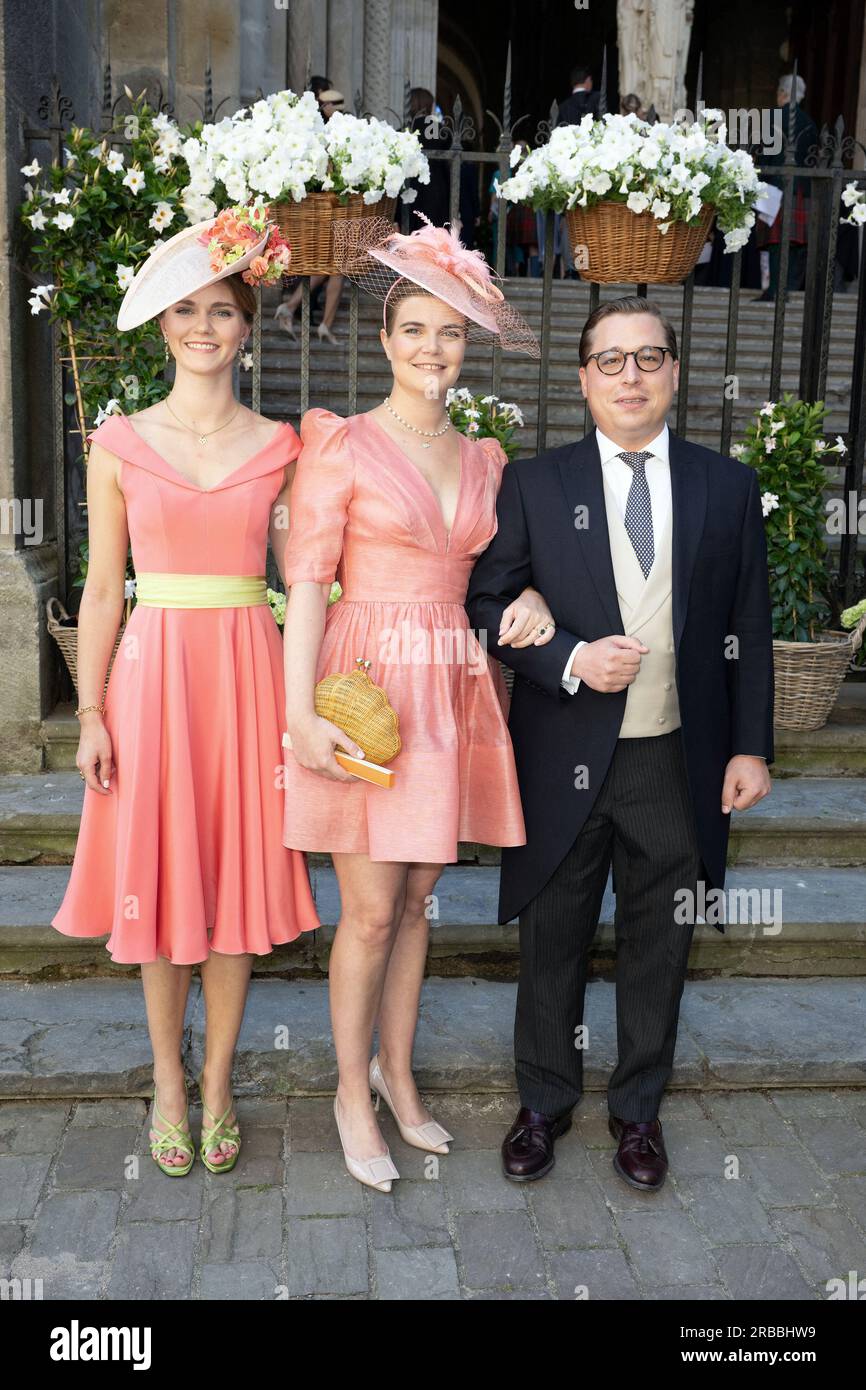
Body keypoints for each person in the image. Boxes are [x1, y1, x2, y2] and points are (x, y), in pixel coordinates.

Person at [466, 296, 774, 1190]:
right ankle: (543, 1103)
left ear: (675, 371)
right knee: (552, 935)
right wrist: (562, 655)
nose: (630, 375)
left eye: (649, 358)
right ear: (582, 379)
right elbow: (487, 605)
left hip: (677, 757)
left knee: (660, 939)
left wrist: (749, 748)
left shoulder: (727, 486)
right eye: (611, 360)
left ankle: (638, 1113)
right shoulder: (535, 484)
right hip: (563, 752)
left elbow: (748, 626)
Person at [280, 215, 548, 1193]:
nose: (431, 347)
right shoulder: (341, 444)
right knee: (366, 908)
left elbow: (498, 578)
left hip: (449, 682)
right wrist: (297, 715)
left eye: (449, 331)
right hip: (363, 682)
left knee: (419, 900)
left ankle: (397, 1072)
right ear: (384, 341)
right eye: (413, 330)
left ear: (463, 344)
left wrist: (523, 606)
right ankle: (349, 1089)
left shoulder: (484, 459)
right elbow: (307, 582)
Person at [51, 205, 319, 1177]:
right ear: (163, 324)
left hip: (248, 673)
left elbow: (306, 581)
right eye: (187, 311)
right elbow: (97, 585)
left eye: (222, 310)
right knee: (161, 887)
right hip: (151, 678)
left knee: (236, 889)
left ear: (247, 325)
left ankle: (216, 1084)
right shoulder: (118, 442)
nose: (203, 327)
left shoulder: (284, 445)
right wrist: (86, 711)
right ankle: (166, 1080)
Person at [274, 77, 346, 343]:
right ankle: (302, 313)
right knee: (333, 266)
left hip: (330, 209)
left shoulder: (332, 128)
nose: (338, 109)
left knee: (334, 267)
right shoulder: (317, 131)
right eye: (333, 104)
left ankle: (298, 311)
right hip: (322, 209)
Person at [753, 74, 818, 303]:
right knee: (794, 242)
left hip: (775, 185)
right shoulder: (810, 122)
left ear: (782, 93)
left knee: (774, 241)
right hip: (801, 188)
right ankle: (787, 287)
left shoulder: (772, 117)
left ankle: (774, 290)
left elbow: (761, 153)